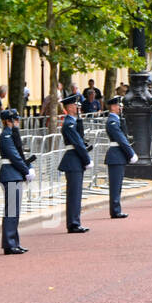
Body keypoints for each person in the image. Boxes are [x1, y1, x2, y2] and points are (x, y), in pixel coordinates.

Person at [0, 108, 32, 254]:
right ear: (8, 121)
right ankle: (9, 244)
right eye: (15, 120)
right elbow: (14, 156)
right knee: (11, 211)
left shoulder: (12, 135)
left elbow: (20, 155)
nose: (18, 122)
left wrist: (28, 167)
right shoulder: (6, 136)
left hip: (14, 174)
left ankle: (14, 242)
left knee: (15, 212)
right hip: (10, 174)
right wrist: (26, 171)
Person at [57, 92, 91, 233]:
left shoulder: (73, 122)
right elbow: (77, 143)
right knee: (74, 194)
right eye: (75, 105)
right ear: (69, 107)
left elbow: (80, 139)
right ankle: (73, 223)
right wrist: (87, 160)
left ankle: (75, 221)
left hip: (76, 160)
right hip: (73, 160)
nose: (78, 107)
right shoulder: (69, 123)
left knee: (76, 194)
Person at [104, 96, 136, 217]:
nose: (120, 107)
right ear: (112, 107)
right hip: (116, 155)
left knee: (118, 185)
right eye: (118, 105)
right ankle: (115, 210)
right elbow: (121, 139)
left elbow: (124, 136)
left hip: (119, 155)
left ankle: (116, 209)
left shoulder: (117, 120)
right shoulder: (112, 121)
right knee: (115, 185)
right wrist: (131, 153)